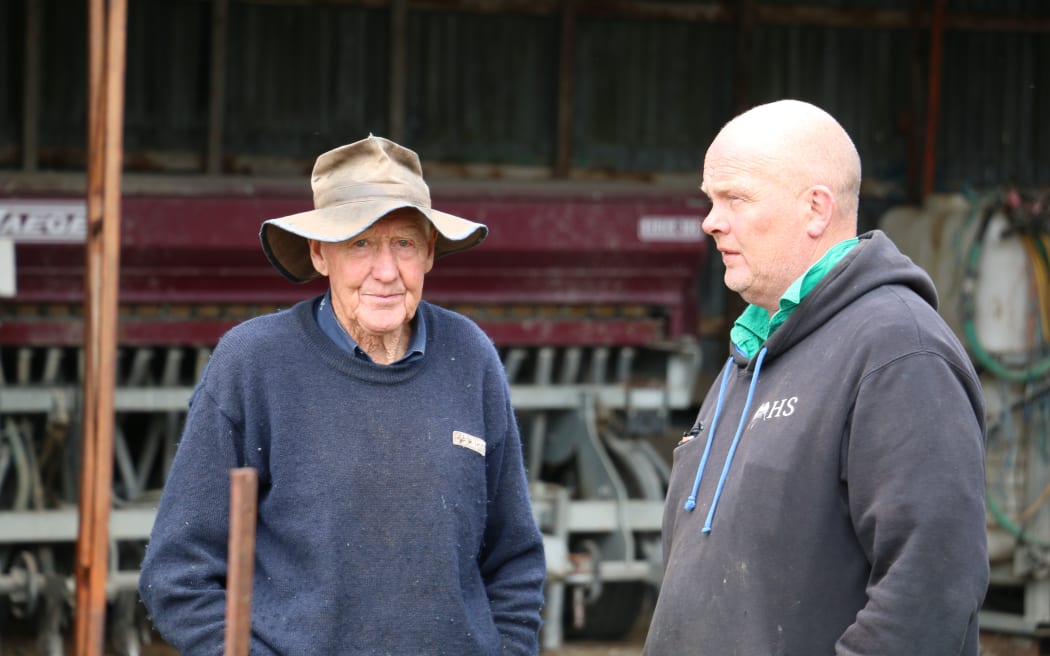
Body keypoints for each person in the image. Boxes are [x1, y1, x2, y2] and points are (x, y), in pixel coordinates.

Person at [138, 135, 547, 655]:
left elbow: (515, 559)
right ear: (319, 254)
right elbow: (177, 575)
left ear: (429, 255)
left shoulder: (471, 356)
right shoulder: (254, 364)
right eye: (360, 243)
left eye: (404, 244)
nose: (385, 271)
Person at [643, 100, 988, 655]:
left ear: (816, 209)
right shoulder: (753, 349)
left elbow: (931, 585)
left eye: (735, 198)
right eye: (711, 200)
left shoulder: (900, 350)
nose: (711, 221)